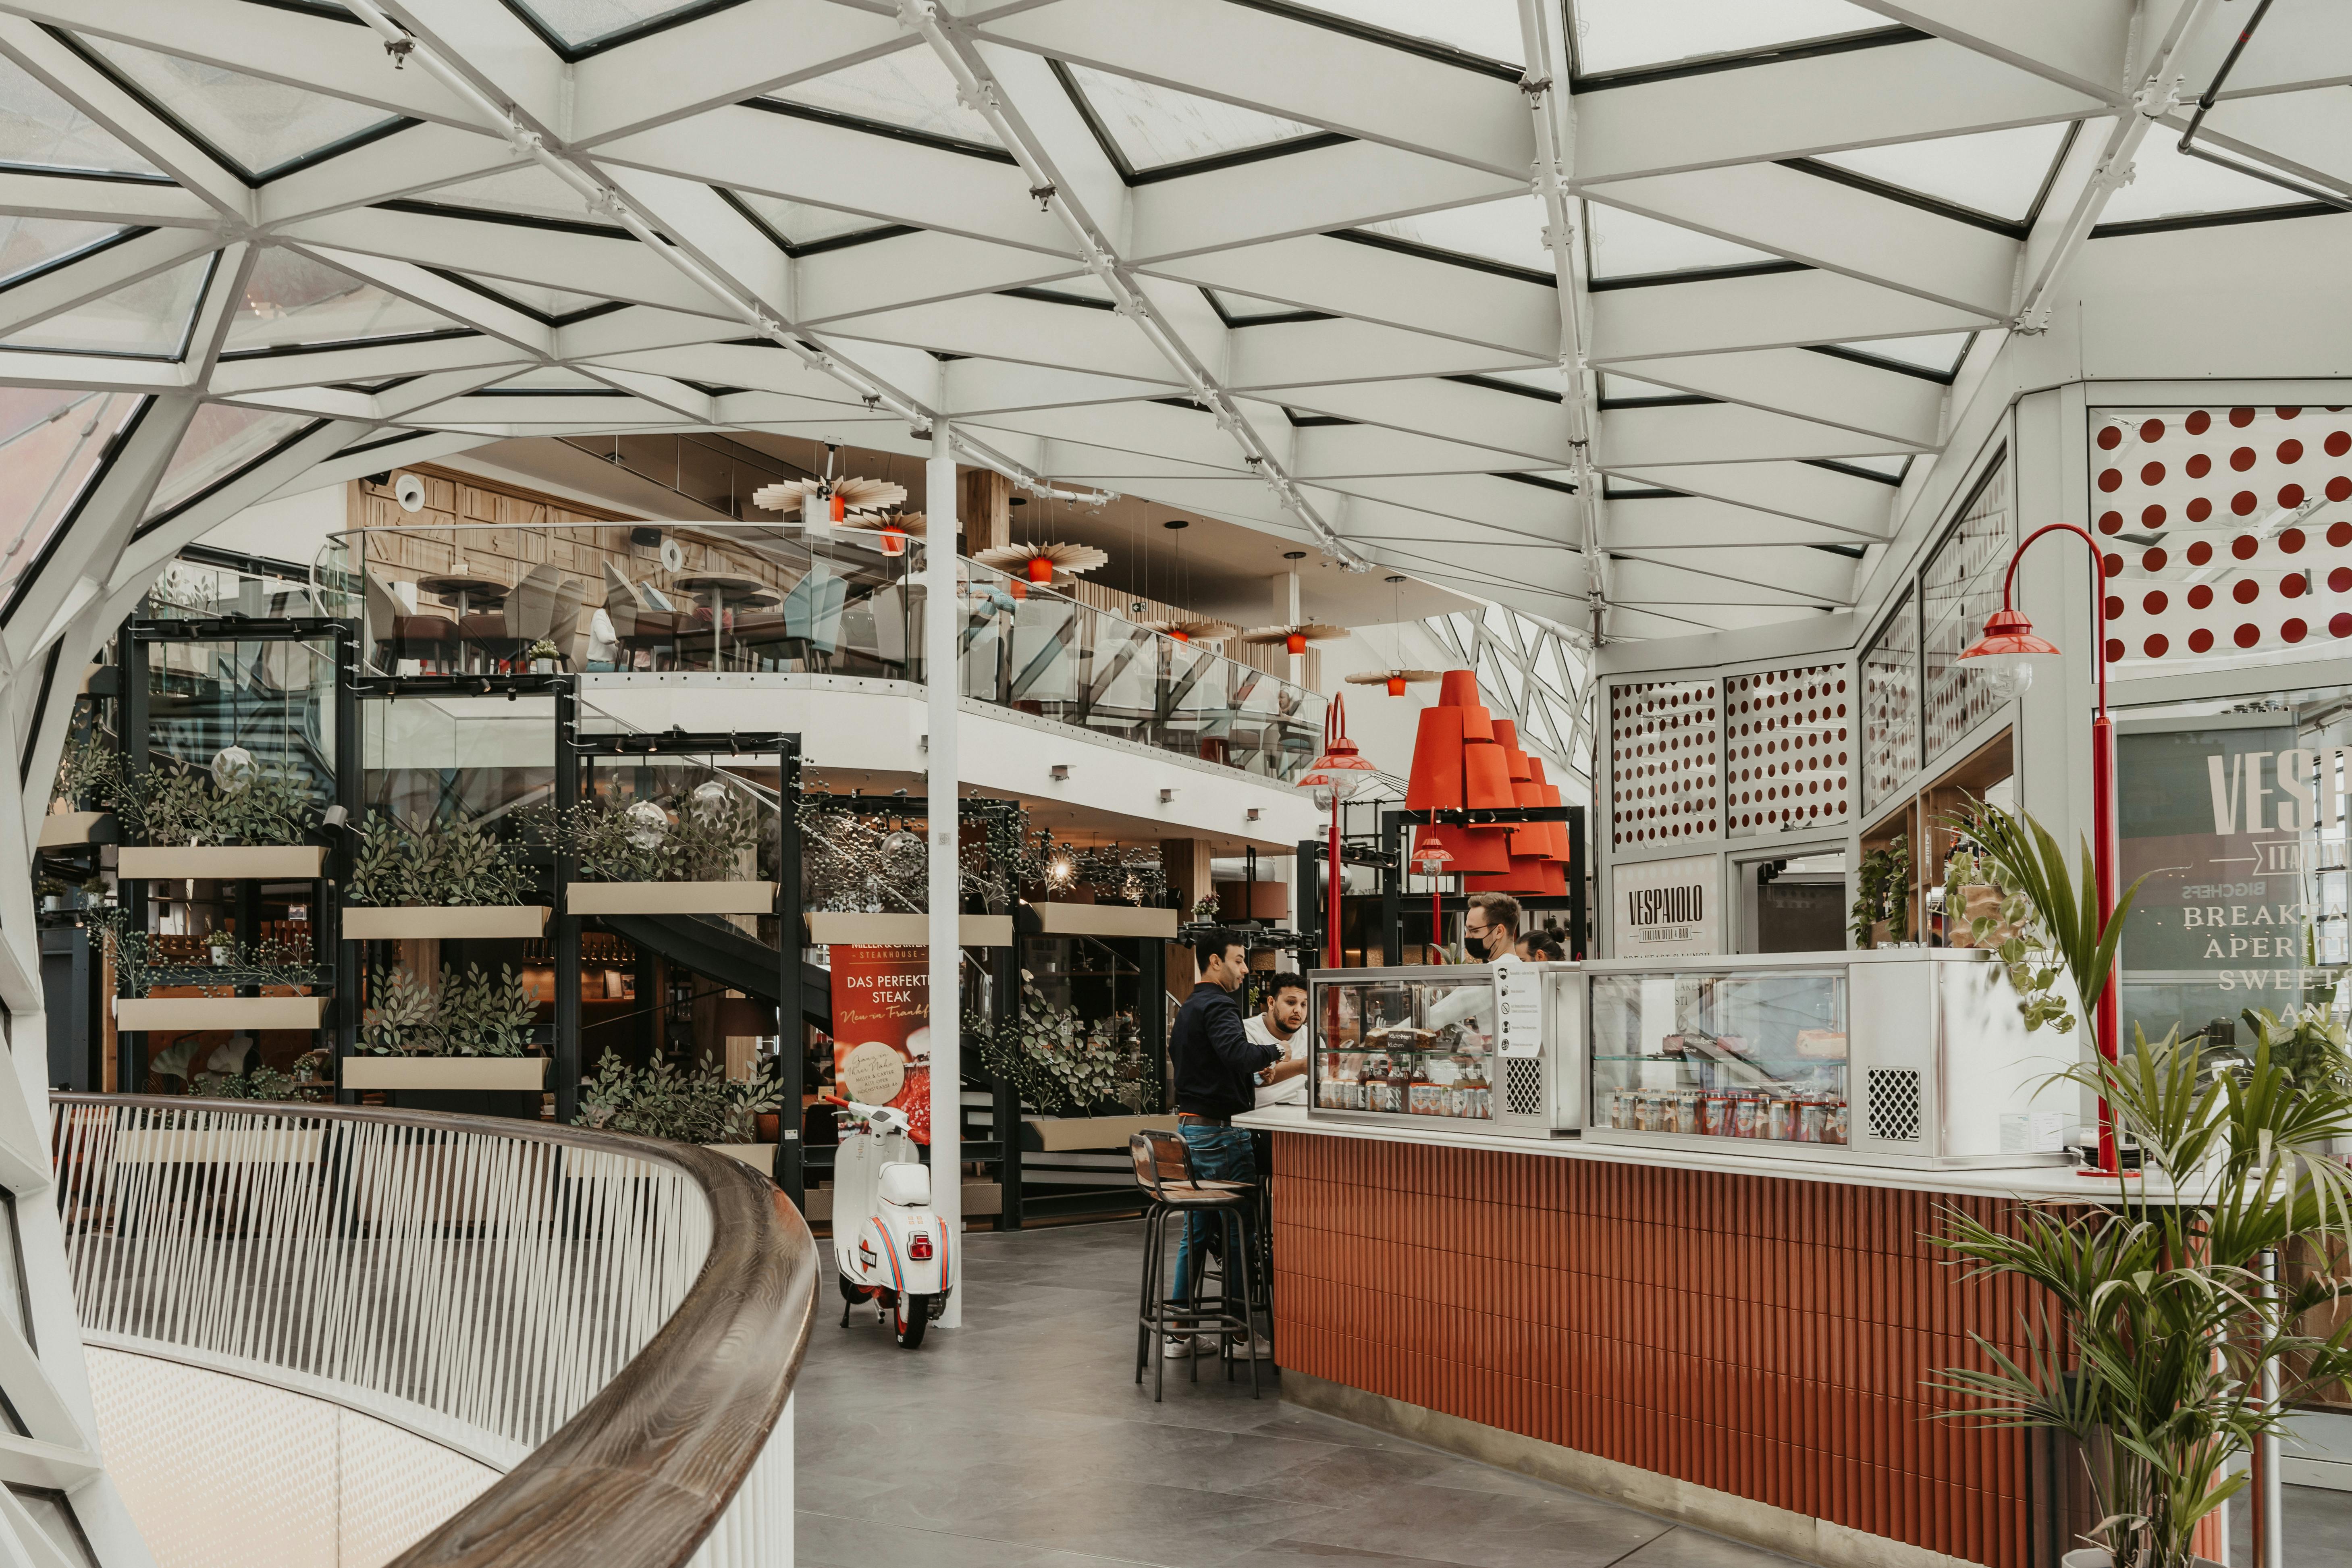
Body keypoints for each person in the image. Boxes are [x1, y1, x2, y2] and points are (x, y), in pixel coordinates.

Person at [1164, 930, 1281, 1359]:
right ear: (1215, 962)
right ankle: (1241, 1335)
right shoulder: (1219, 1005)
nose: (1245, 969)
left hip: (1192, 1130)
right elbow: (1238, 1055)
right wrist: (1274, 1052)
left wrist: (1247, 1073)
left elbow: (1209, 1066)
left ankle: (1179, 1329)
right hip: (1219, 1134)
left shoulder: (1190, 1007)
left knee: (1194, 1234)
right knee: (1238, 1231)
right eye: (1239, 961)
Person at [1428, 892, 1522, 1031]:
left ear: (1499, 932)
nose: (1468, 937)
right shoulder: (1516, 966)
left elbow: (1439, 1015)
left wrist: (1392, 1032)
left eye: (1474, 931)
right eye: (1467, 930)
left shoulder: (1498, 971)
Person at [1246, 974, 1311, 1109]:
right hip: (1259, 1121)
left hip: (1306, 1121)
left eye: (1304, 1004)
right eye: (1291, 1002)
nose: (1298, 1010)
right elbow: (1249, 1078)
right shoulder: (1246, 1031)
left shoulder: (1311, 1037)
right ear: (1271, 1003)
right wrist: (1300, 1066)